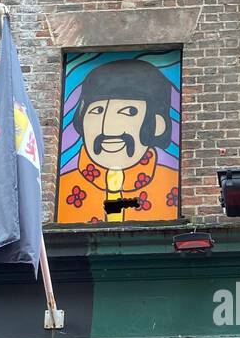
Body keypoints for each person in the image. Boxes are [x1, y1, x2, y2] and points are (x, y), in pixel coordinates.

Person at [57, 57, 179, 222]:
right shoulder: (64, 187)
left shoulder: (172, 189)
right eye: (97, 110)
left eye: (128, 111)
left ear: (158, 124)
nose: (107, 127)